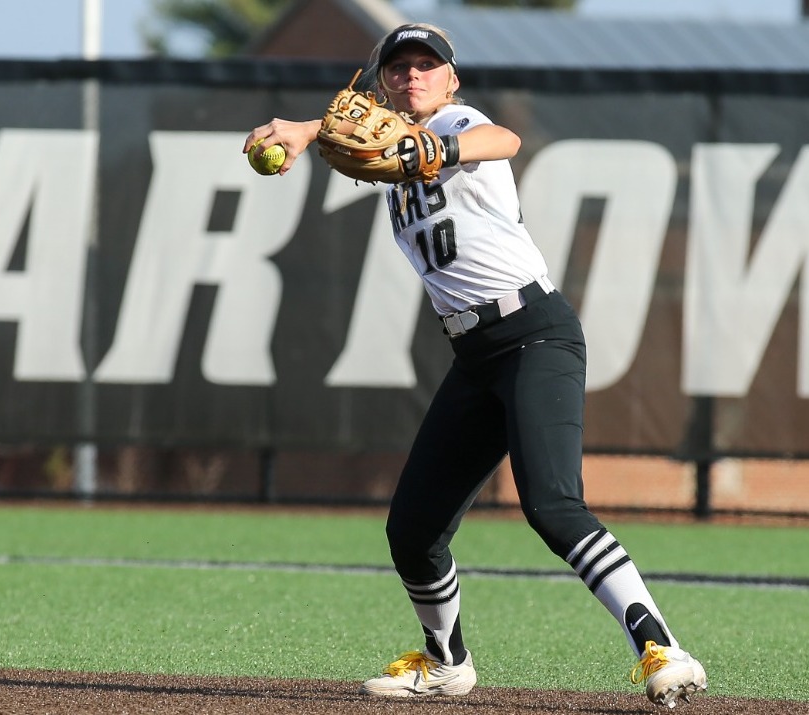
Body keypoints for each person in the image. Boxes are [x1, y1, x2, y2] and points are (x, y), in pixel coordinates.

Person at [243, 22, 707, 708]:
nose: (412, 77)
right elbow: (367, 137)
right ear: (380, 84)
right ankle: (446, 660)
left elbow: (504, 141)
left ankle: (661, 645)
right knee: (413, 530)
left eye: (427, 65)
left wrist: (440, 143)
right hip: (473, 355)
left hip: (535, 335)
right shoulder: (388, 142)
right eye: (398, 67)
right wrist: (307, 129)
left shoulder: (462, 121)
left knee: (552, 505)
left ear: (451, 80)